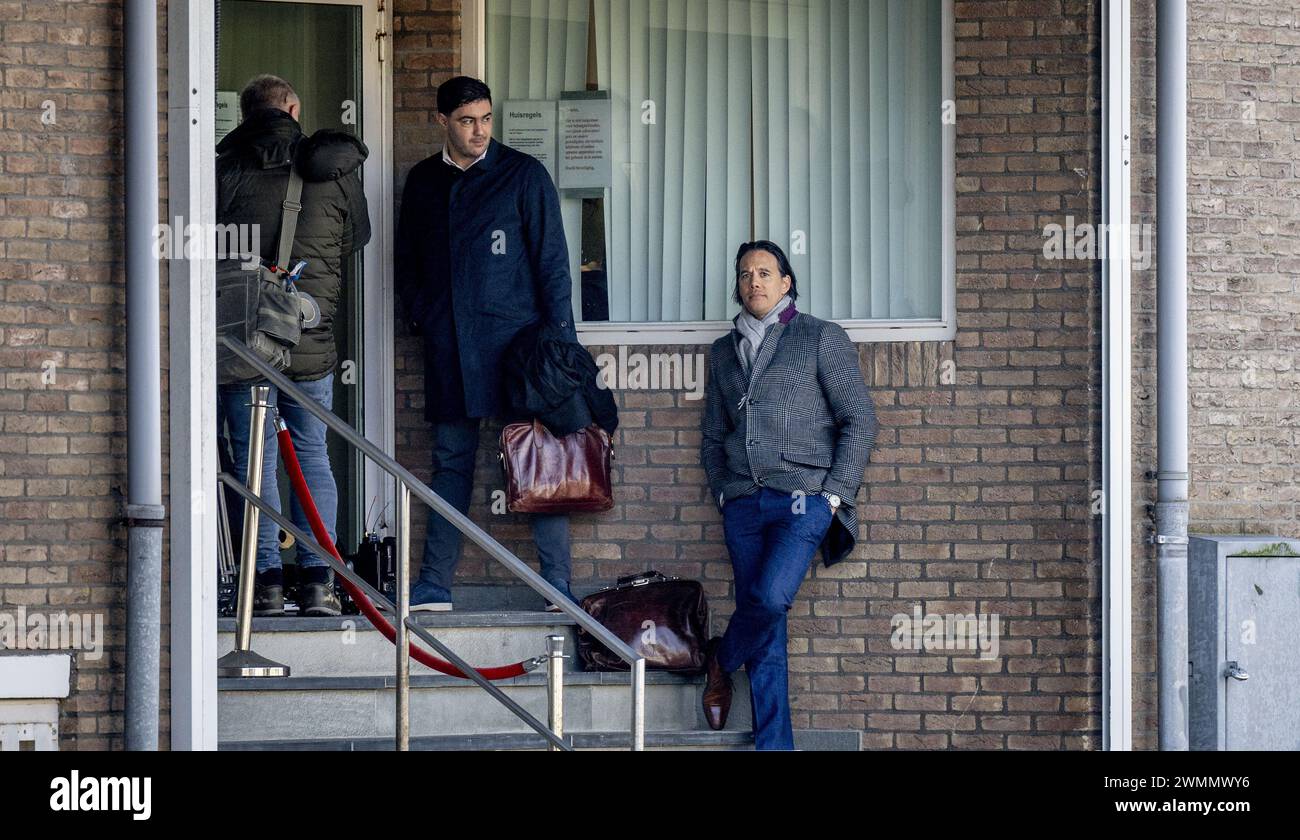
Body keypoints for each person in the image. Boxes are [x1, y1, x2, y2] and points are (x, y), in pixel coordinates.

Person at [395, 76, 579, 612]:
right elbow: (407, 264)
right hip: (451, 346)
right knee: (451, 460)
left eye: (485, 119)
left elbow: (553, 264)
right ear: (442, 123)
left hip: (521, 347)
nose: (479, 131)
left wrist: (558, 342)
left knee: (538, 456)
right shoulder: (424, 180)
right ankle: (433, 584)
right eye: (466, 121)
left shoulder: (523, 174)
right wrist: (426, 317)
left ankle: (556, 586)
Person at [699, 240, 878, 750]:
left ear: (786, 283)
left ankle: (721, 659)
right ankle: (774, 746)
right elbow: (713, 434)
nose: (753, 281)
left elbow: (860, 419)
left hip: (804, 499)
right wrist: (722, 493)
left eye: (764, 272)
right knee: (769, 627)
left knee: (770, 597)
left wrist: (834, 496)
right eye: (744, 274)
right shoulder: (723, 352)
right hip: (743, 503)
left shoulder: (819, 337)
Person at [216, 74, 371, 616]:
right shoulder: (338, 172)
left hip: (247, 339)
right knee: (311, 455)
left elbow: (205, 240)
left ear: (244, 113)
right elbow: (356, 238)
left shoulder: (225, 165)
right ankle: (320, 582)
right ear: (294, 108)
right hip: (310, 336)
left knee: (251, 461)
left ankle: (265, 585)